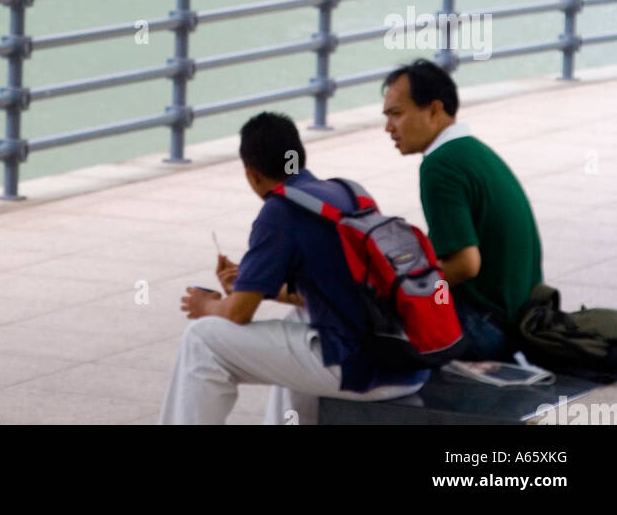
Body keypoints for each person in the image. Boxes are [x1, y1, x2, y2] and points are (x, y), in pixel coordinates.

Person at [159, 112, 430, 424]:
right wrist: (248, 287)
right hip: (405, 362)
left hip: (361, 371)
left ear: (251, 174)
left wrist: (206, 305)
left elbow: (238, 314)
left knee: (202, 338)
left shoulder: (279, 210)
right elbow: (341, 291)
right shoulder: (348, 192)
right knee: (301, 319)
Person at [381, 60, 543, 361]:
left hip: (487, 329)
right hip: (522, 321)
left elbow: (465, 264)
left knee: (360, 320)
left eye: (396, 114)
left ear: (433, 110)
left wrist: (399, 292)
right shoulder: (474, 151)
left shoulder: (440, 166)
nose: (388, 128)